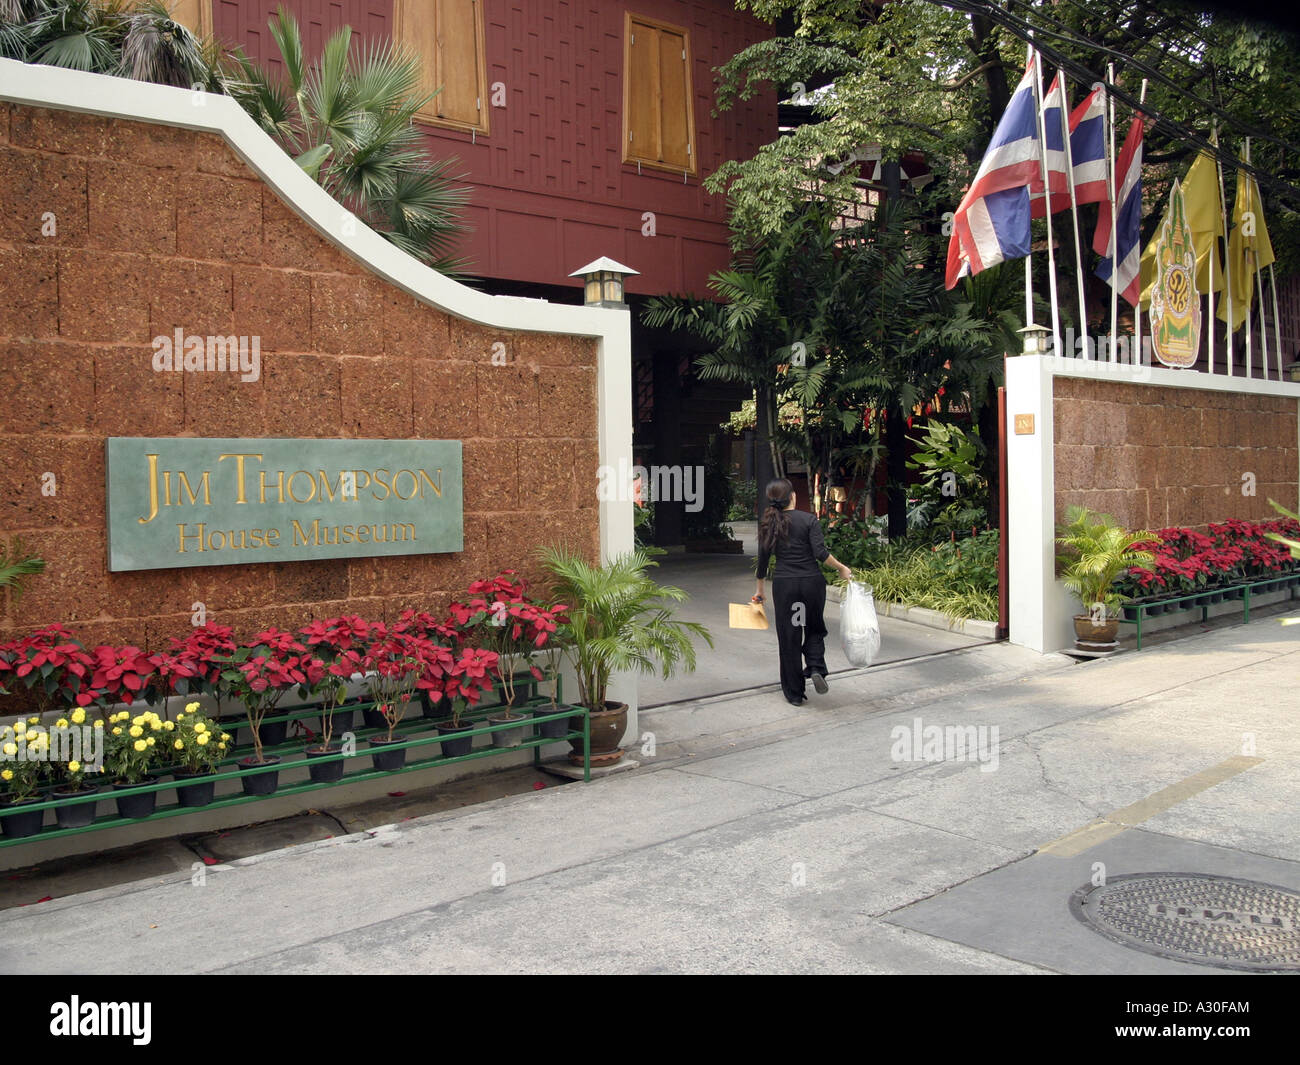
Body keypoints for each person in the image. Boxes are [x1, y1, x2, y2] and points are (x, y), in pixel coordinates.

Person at [753, 478, 853, 706]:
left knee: (789, 635)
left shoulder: (769, 523)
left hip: (785, 586)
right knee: (814, 628)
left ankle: (795, 693)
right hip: (811, 584)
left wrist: (760, 591)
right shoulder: (808, 519)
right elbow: (820, 553)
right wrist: (841, 568)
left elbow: (763, 561)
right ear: (793, 497)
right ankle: (816, 666)